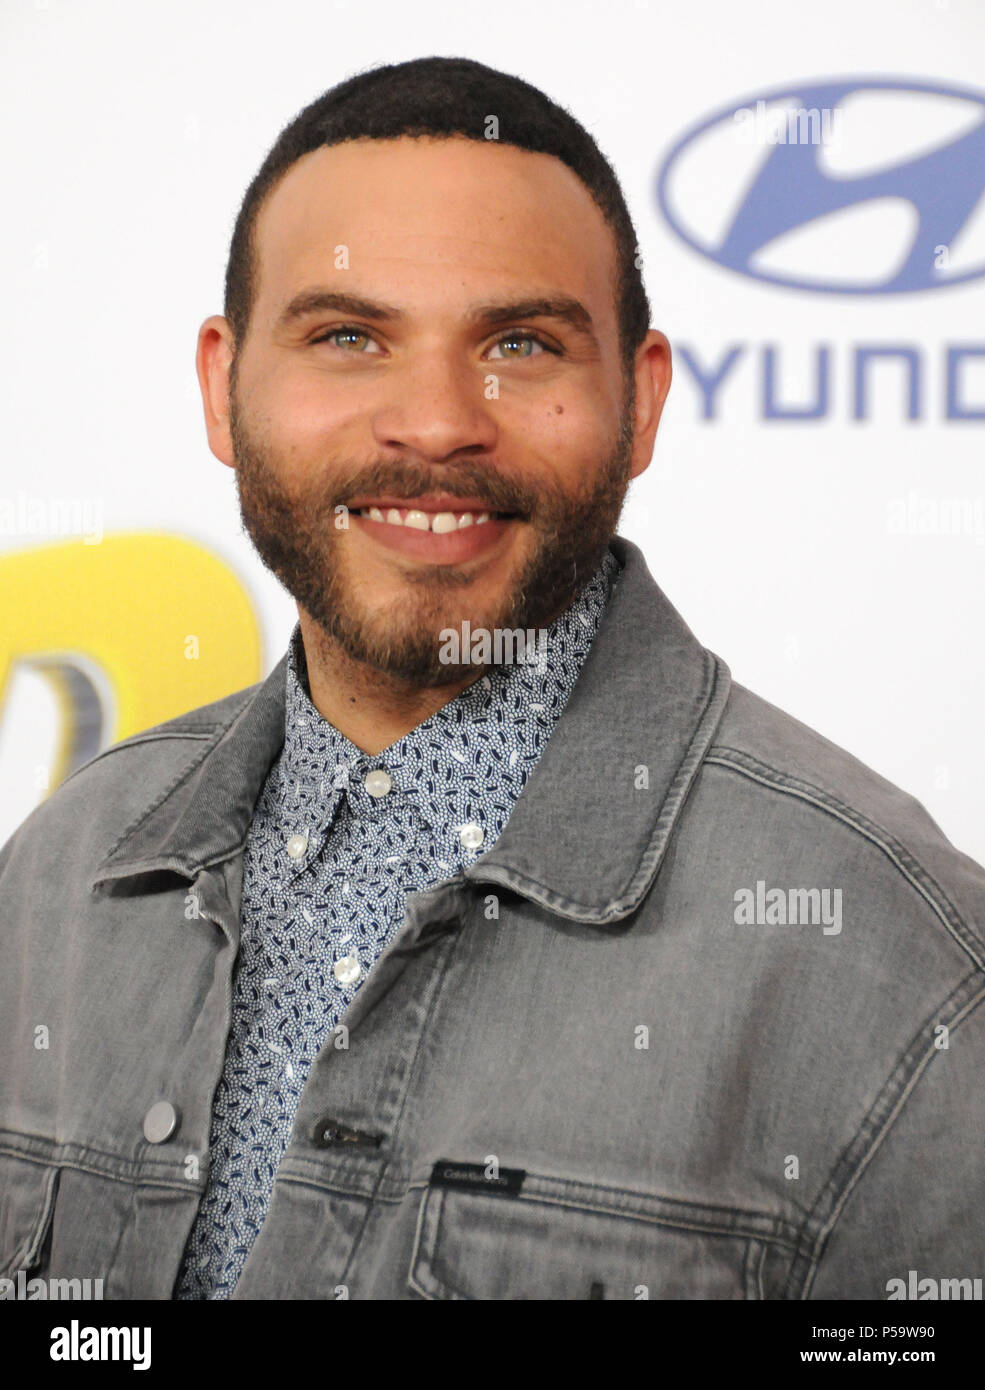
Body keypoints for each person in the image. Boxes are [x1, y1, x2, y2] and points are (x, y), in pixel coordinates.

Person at [1, 55, 983, 1303]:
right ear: (220, 384)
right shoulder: (53, 876)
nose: (434, 422)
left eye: (519, 343)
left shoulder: (899, 957)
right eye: (348, 336)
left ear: (638, 402)